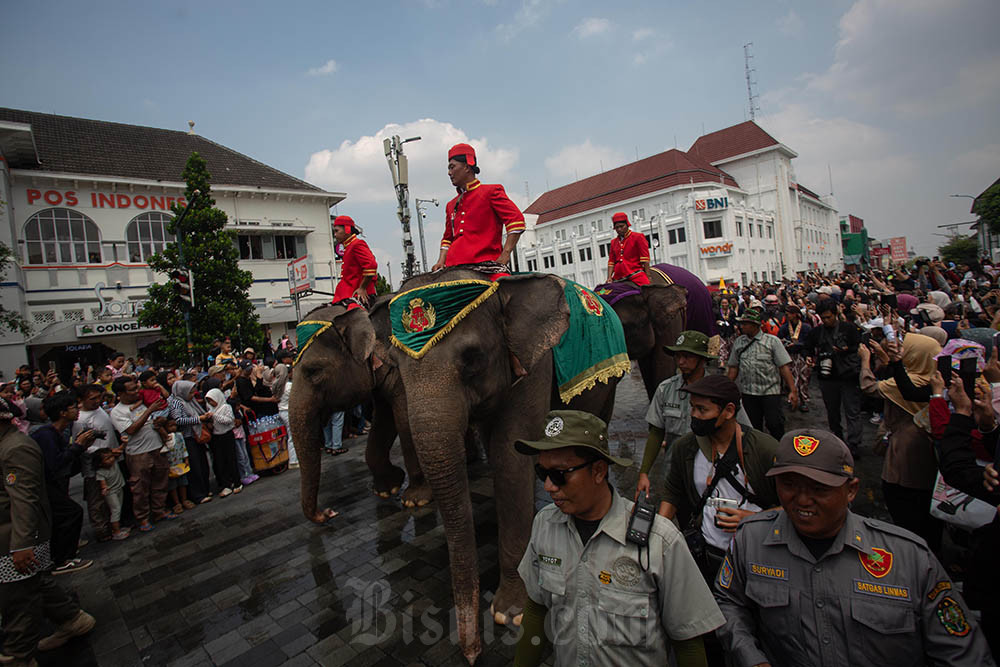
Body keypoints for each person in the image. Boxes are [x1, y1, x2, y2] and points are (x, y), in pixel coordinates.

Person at [713, 428, 995, 666]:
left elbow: (963, 654)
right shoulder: (751, 539)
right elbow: (729, 603)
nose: (802, 499)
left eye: (819, 488)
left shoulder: (909, 558)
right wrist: (752, 658)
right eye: (788, 485)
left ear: (851, 490)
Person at [514, 410, 725, 667]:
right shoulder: (544, 525)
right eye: (542, 473)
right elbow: (536, 609)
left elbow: (688, 642)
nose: (548, 486)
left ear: (599, 471)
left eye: (560, 474)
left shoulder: (660, 541)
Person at [0, 397, 96, 666]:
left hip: (17, 538)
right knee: (32, 584)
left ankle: (18, 656)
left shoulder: (15, 447)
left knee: (17, 599)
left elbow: (25, 499)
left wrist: (21, 544)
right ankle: (71, 619)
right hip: (14, 537)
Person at [637, 331, 752, 498]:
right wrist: (644, 473)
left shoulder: (721, 391)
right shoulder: (665, 389)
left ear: (702, 359)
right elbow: (656, 433)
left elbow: (745, 432)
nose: (681, 362)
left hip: (713, 475)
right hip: (675, 472)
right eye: (677, 356)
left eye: (687, 356)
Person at [859, 333, 944, 552]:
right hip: (928, 454)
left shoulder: (906, 383)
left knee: (905, 507)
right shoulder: (936, 382)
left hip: (905, 450)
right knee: (928, 513)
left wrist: (865, 360)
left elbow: (869, 387)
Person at [431, 143, 525, 274]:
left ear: (466, 167)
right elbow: (447, 238)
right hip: (453, 268)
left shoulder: (491, 192)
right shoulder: (450, 205)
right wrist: (441, 261)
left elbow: (516, 221)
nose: (449, 173)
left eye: (452, 167)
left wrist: (506, 254)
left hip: (486, 267)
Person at [30, 392, 95, 574]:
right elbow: (55, 464)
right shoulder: (45, 435)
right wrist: (78, 446)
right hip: (44, 485)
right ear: (62, 413)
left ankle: (64, 550)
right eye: (73, 407)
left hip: (54, 484)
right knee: (71, 513)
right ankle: (62, 558)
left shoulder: (57, 432)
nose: (77, 410)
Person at [109, 377, 172, 532]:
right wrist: (149, 411)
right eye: (132, 390)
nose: (137, 391)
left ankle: (159, 510)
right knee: (140, 488)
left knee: (160, 480)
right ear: (120, 393)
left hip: (157, 447)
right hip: (138, 453)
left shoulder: (143, 401)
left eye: (136, 388)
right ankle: (142, 518)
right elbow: (131, 430)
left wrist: (160, 420)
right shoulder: (117, 412)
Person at [726, 307, 798, 437]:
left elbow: (784, 367)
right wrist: (724, 387)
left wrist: (793, 390)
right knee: (753, 427)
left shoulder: (772, 342)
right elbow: (733, 368)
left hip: (770, 393)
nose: (741, 326)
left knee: (774, 424)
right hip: (748, 393)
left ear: (755, 325)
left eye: (745, 324)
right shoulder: (739, 343)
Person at [803, 300, 863, 455]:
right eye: (823, 318)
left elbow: (860, 346)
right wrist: (809, 357)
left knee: (852, 410)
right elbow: (807, 347)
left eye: (829, 317)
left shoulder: (848, 329)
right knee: (832, 411)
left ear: (836, 314)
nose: (826, 321)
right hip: (827, 377)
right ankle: (838, 439)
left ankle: (854, 443)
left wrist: (846, 350)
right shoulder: (817, 332)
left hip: (848, 375)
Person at [72, 384, 120, 543]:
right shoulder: (80, 419)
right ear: (81, 400)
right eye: (92, 399)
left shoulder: (99, 410)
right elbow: (81, 445)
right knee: (97, 499)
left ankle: (114, 525)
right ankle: (102, 530)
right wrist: (104, 453)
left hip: (111, 460)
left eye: (99, 397)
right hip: (94, 466)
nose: (97, 401)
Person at [167, 380, 214, 504]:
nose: (192, 395)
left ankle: (205, 489)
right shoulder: (176, 403)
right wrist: (198, 419)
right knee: (194, 467)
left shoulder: (190, 401)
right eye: (190, 392)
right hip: (188, 437)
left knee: (203, 464)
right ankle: (198, 494)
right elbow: (178, 420)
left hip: (197, 436)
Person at [331, 215, 378, 306]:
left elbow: (371, 265)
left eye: (337, 231)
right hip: (347, 294)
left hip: (356, 294)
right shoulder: (349, 246)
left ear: (347, 230)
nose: (335, 235)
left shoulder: (357, 244)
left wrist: (362, 288)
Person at [204, 388, 241, 498]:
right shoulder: (210, 409)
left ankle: (237, 482)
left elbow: (229, 420)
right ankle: (226, 485)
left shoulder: (226, 407)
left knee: (231, 459)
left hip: (227, 435)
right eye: (209, 400)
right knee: (220, 461)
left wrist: (214, 416)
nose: (211, 403)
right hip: (216, 437)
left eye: (212, 400)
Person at [778, 304, 813, 412]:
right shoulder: (784, 327)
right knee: (791, 379)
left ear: (795, 315)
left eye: (788, 314)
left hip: (801, 355)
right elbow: (779, 339)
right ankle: (792, 399)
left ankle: (803, 400)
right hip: (789, 355)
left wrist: (799, 345)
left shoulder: (806, 327)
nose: (787, 316)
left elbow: (810, 343)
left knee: (803, 379)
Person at [92, 449, 129, 540]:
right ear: (100, 463)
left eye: (111, 457)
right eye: (107, 458)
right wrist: (104, 488)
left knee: (118, 508)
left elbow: (119, 450)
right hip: (111, 493)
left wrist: (124, 443)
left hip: (119, 488)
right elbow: (103, 484)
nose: (111, 459)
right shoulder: (100, 472)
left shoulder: (114, 463)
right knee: (115, 510)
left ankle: (117, 527)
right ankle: (116, 532)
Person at [606, 212, 651, 285]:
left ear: (627, 225)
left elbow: (645, 259)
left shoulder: (638, 237)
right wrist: (609, 277)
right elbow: (611, 262)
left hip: (635, 275)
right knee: (603, 292)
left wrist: (648, 276)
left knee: (648, 291)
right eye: (617, 227)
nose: (619, 229)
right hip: (618, 277)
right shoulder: (613, 242)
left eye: (621, 226)